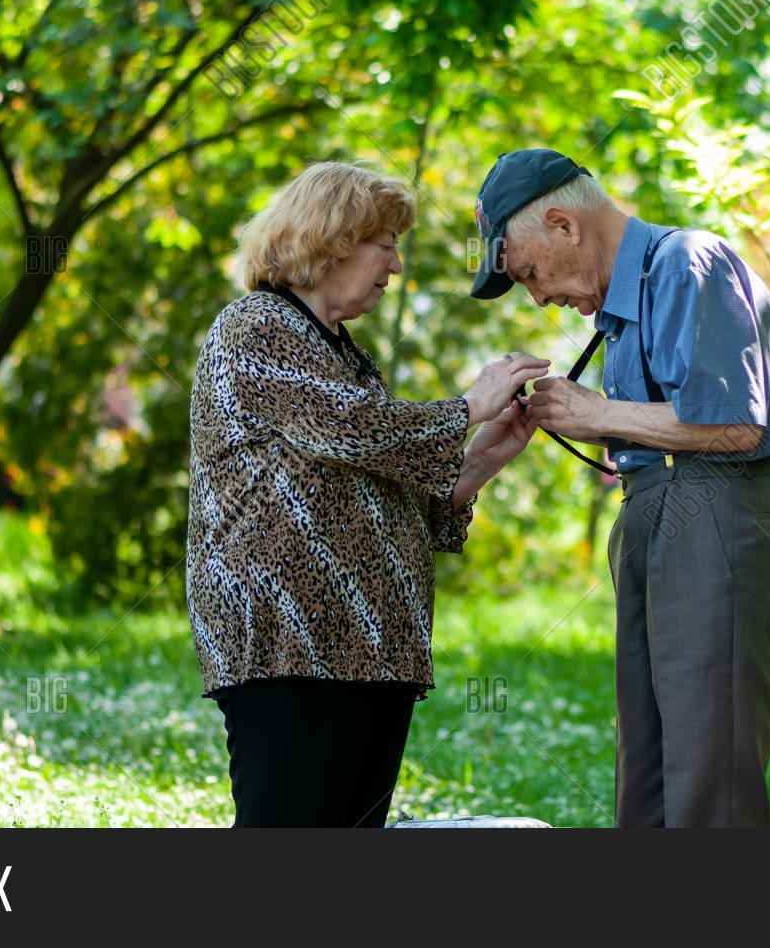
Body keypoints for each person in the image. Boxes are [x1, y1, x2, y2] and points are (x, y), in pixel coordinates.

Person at [187, 161, 548, 827]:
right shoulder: (256, 326)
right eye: (385, 245)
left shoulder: (345, 352)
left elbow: (369, 483)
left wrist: (478, 462)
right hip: (291, 642)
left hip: (370, 647)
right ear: (331, 239)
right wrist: (465, 406)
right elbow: (344, 428)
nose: (395, 265)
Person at [469, 148, 770, 827]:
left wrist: (596, 412)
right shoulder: (621, 311)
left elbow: (737, 424)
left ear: (564, 225)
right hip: (659, 514)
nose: (538, 298)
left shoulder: (686, 263)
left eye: (530, 273)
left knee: (707, 773)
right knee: (649, 772)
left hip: (721, 513)